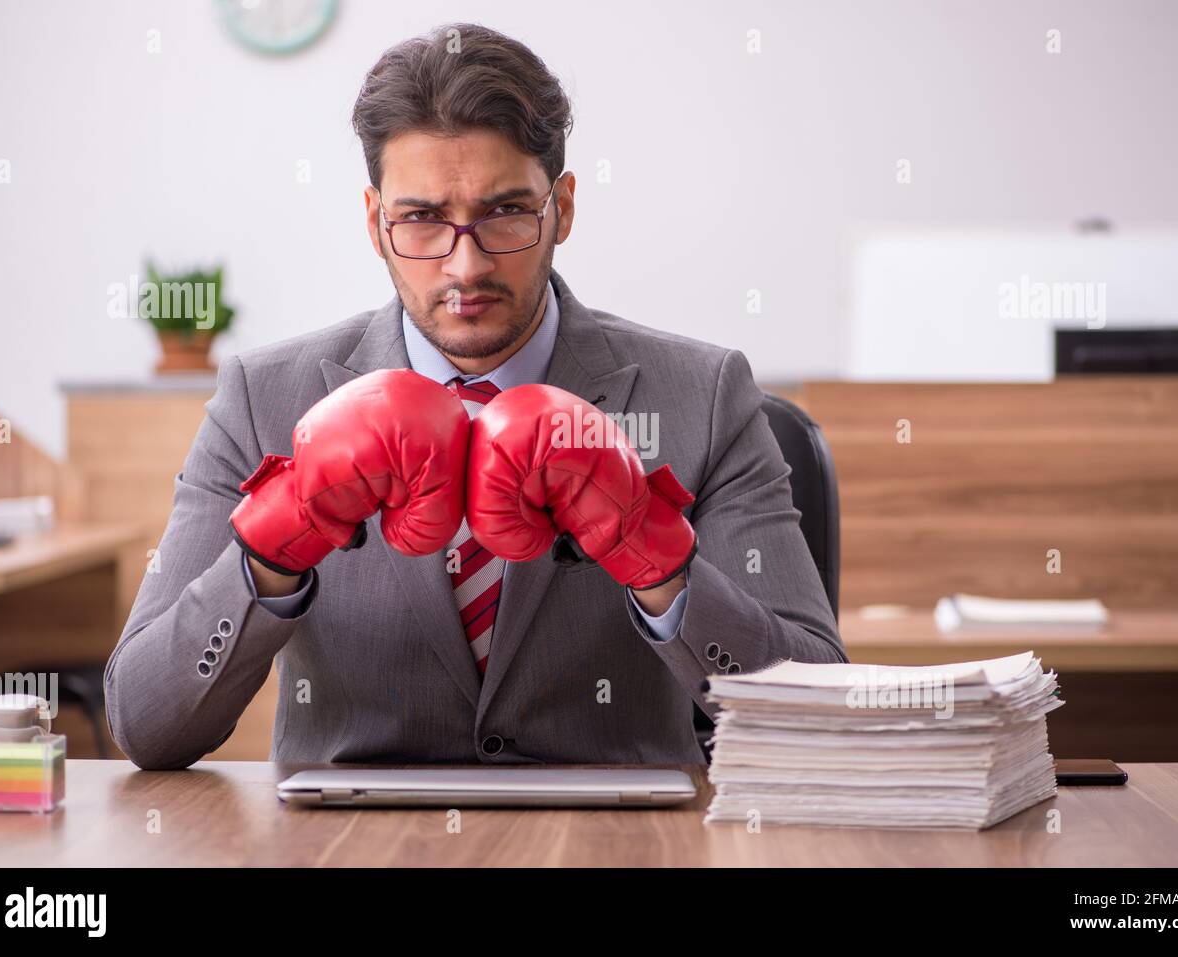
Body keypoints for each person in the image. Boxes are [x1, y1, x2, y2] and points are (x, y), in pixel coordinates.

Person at [104, 22, 845, 771]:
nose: (466, 264)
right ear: (375, 222)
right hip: (348, 847)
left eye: (504, 213)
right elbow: (145, 723)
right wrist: (277, 540)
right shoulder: (265, 398)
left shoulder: (704, 395)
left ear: (563, 208)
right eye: (422, 219)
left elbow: (822, 723)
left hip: (615, 845)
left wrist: (657, 559)